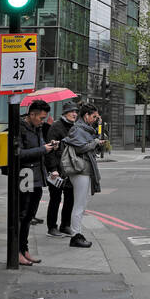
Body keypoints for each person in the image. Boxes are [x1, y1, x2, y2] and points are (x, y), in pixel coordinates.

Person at [16, 99, 59, 266]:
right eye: (41, 118)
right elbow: (18, 153)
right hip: (25, 176)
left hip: (37, 177)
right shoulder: (20, 128)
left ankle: (24, 250)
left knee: (28, 216)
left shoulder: (37, 128)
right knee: (22, 215)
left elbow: (40, 148)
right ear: (31, 114)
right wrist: (43, 149)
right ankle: (17, 252)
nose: (43, 121)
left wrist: (49, 146)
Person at [61, 103, 105, 248]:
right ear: (86, 115)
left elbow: (87, 145)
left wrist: (96, 141)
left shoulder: (86, 129)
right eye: (93, 116)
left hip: (85, 170)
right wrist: (95, 142)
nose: (95, 119)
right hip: (80, 170)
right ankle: (75, 236)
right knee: (79, 205)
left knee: (83, 202)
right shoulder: (77, 129)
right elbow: (80, 148)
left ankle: (77, 233)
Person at [45, 103, 78, 237]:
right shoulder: (56, 126)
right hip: (57, 169)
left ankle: (66, 225)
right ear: (65, 113)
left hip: (70, 169)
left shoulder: (75, 127)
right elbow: (50, 150)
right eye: (71, 112)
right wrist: (53, 169)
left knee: (70, 199)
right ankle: (52, 227)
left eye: (76, 112)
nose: (74, 114)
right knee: (55, 199)